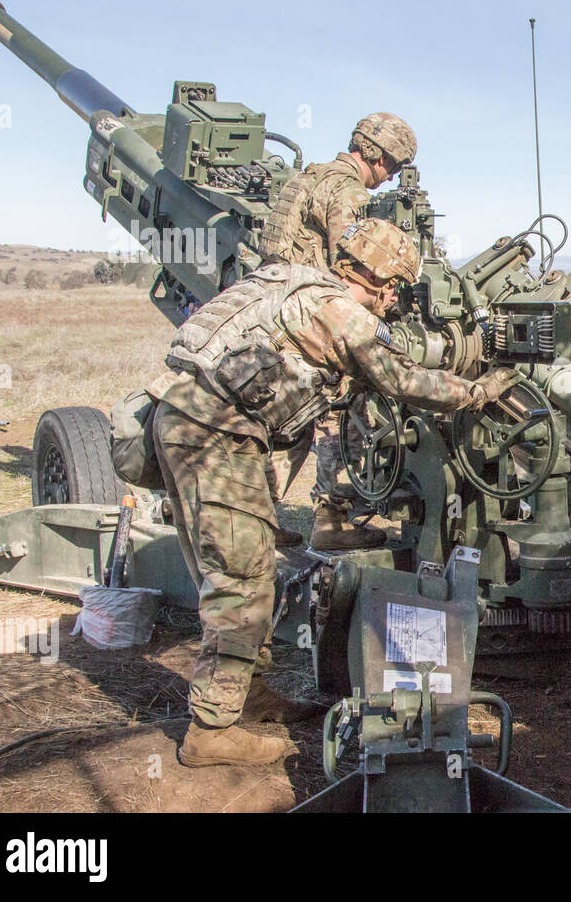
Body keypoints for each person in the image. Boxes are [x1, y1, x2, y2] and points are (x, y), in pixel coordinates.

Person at [152, 218, 517, 767]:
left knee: (244, 569)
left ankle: (248, 695)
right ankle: (211, 729)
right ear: (380, 278)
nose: (394, 299)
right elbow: (403, 380)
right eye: (394, 287)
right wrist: (478, 391)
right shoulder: (338, 311)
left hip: (188, 423)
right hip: (216, 438)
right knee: (241, 580)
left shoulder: (287, 279)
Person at [259, 112, 418, 549]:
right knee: (340, 418)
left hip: (278, 311)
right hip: (316, 321)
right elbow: (351, 262)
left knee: (285, 425)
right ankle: (332, 520)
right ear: (378, 154)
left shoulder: (305, 178)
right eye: (393, 167)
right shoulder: (345, 191)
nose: (389, 180)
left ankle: (251, 516)